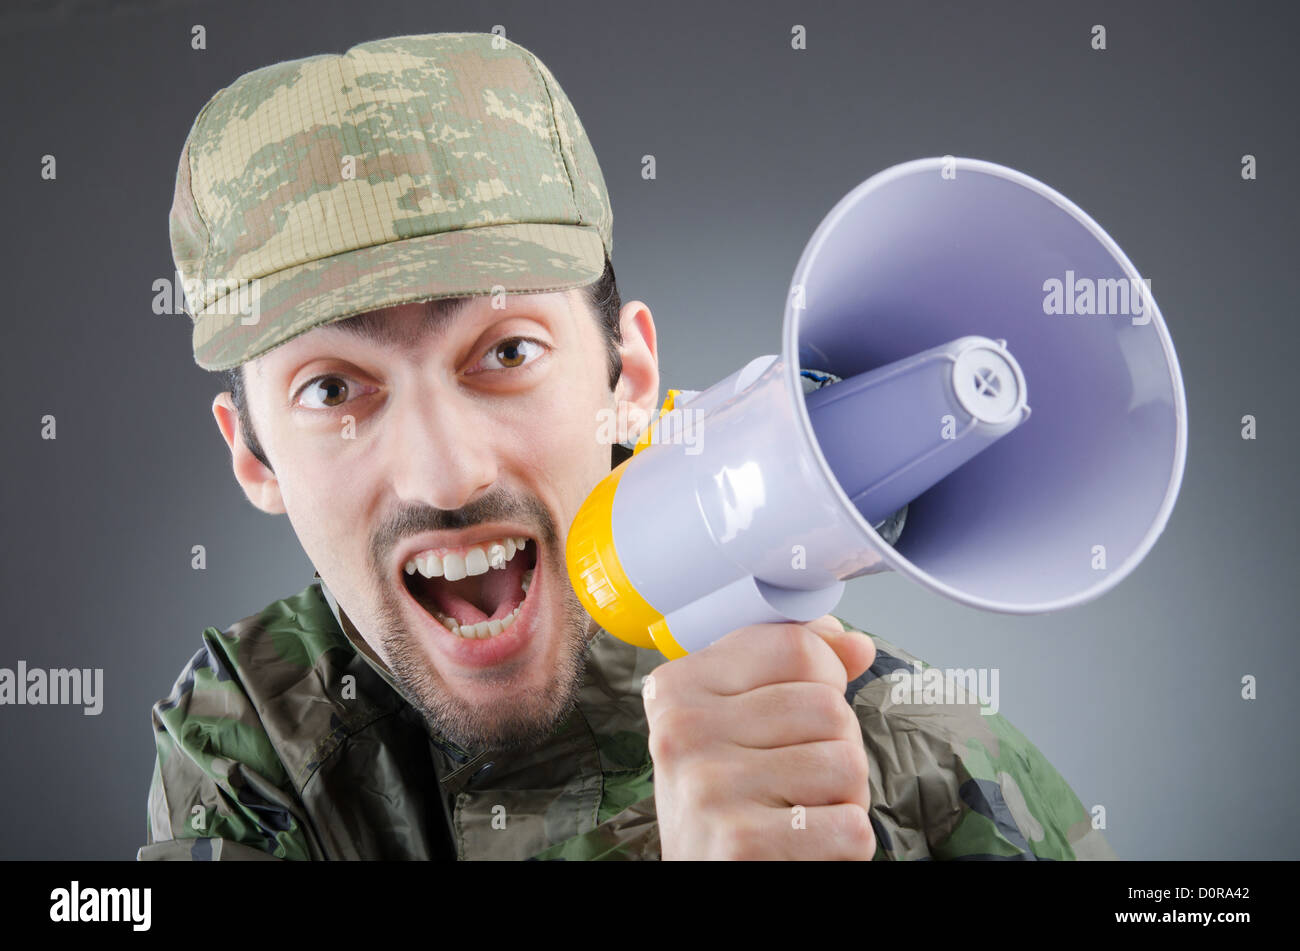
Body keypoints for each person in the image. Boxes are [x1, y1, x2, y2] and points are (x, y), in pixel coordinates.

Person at [139, 31, 1116, 861]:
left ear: (630, 377)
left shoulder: (902, 750)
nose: (446, 473)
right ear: (256, 455)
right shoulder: (254, 733)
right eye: (332, 389)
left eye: (507, 351)